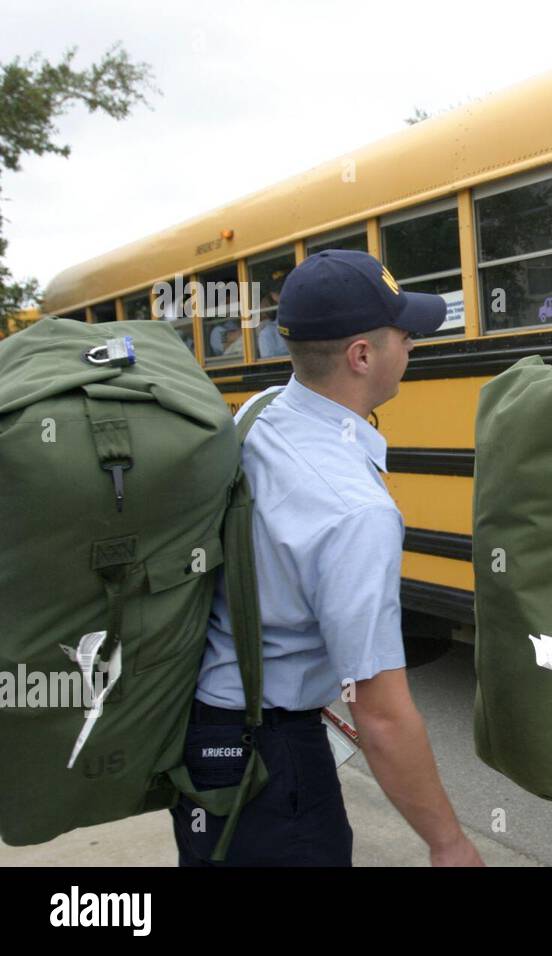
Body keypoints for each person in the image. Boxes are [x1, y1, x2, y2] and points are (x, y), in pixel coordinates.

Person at [171, 249, 482, 867]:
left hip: (206, 738)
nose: (413, 343)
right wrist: (449, 844)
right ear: (362, 355)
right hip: (271, 756)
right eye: (404, 332)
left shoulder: (260, 412)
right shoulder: (354, 509)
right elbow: (383, 716)